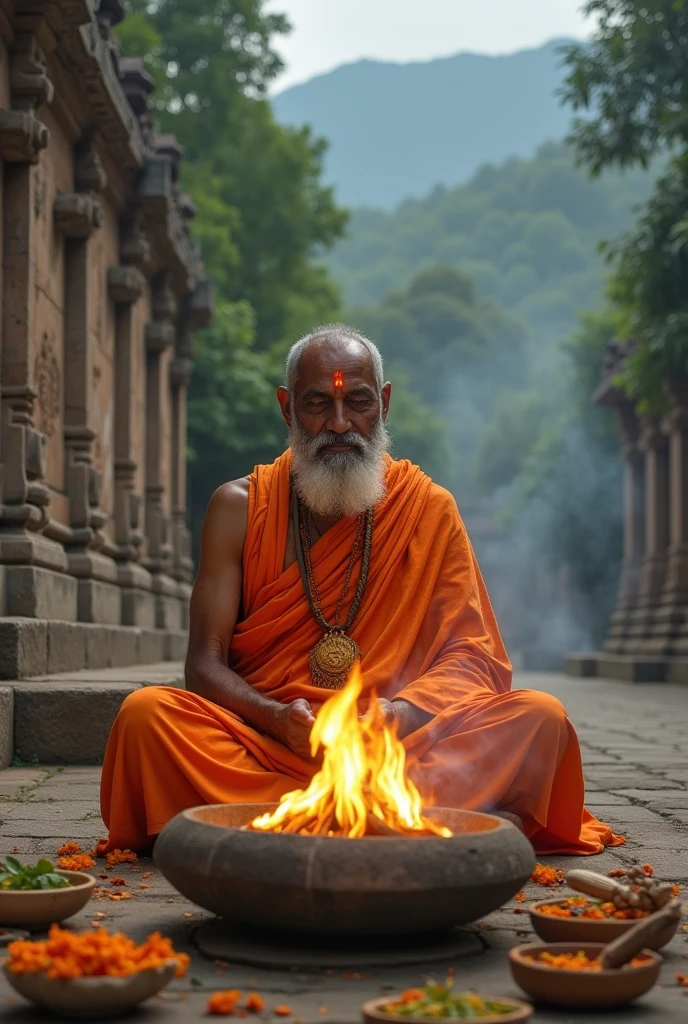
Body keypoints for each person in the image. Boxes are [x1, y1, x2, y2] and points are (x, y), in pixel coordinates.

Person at [97, 324, 622, 855]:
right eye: (318, 404)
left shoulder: (428, 508)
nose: (341, 423)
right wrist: (275, 720)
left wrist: (400, 715)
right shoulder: (238, 508)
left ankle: (267, 818)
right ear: (287, 409)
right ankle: (414, 816)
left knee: (540, 718)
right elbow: (204, 664)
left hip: (396, 750)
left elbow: (472, 657)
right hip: (268, 747)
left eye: (359, 401)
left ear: (385, 404)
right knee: (145, 716)